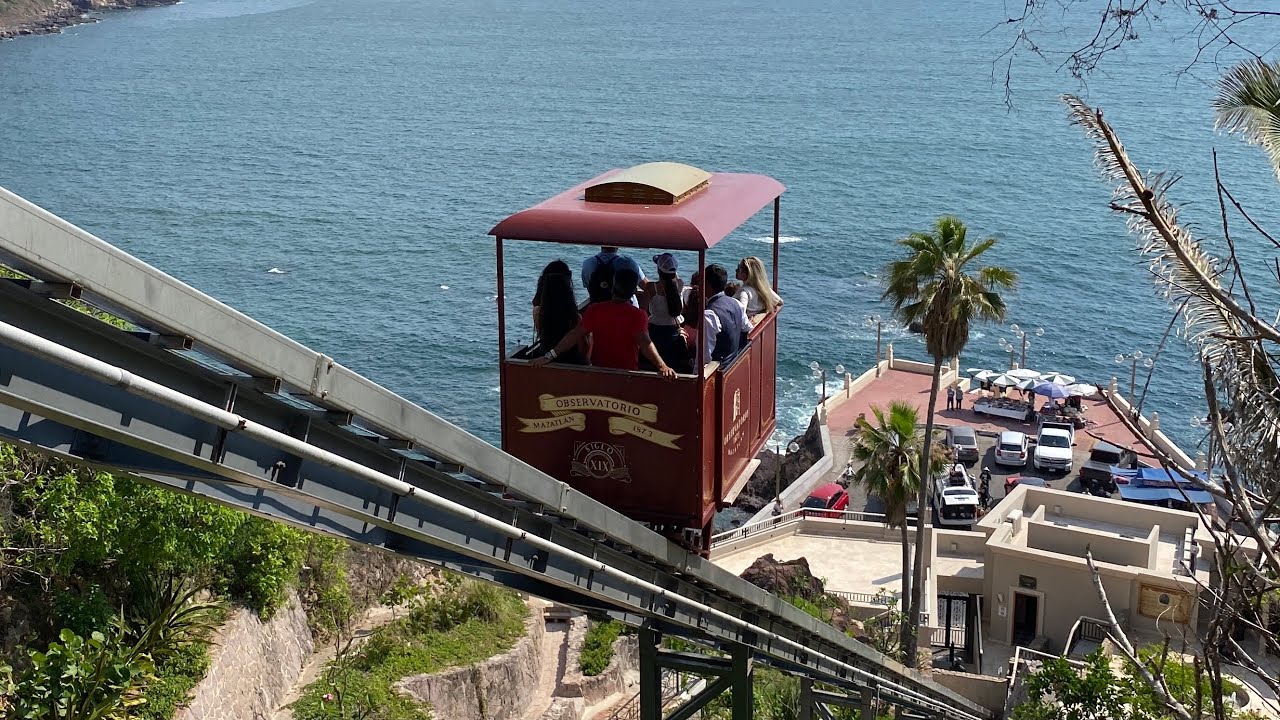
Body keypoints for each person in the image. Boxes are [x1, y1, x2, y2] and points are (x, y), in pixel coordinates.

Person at [531, 269, 675, 378]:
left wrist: (548, 356)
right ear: (632, 292)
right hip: (625, 375)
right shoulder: (638, 315)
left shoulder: (595, 310)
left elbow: (573, 335)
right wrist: (662, 366)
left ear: (613, 287)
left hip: (599, 373)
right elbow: (645, 343)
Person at [531, 260, 586, 364]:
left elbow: (543, 336)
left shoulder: (537, 312)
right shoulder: (574, 318)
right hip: (571, 363)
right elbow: (582, 348)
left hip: (545, 359)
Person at [644, 253, 691, 373]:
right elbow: (673, 280)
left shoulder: (651, 287)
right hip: (674, 332)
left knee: (652, 367)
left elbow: (643, 311)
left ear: (658, 270)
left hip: (655, 331)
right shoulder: (679, 284)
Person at [702, 264, 751, 362]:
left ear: (707, 284)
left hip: (717, 369)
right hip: (732, 363)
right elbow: (747, 327)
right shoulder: (736, 303)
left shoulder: (709, 314)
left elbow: (705, 356)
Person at [733, 256, 782, 325]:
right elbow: (779, 301)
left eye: (739, 269)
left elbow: (741, 314)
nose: (736, 270)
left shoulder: (744, 292)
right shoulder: (762, 288)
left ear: (747, 274)